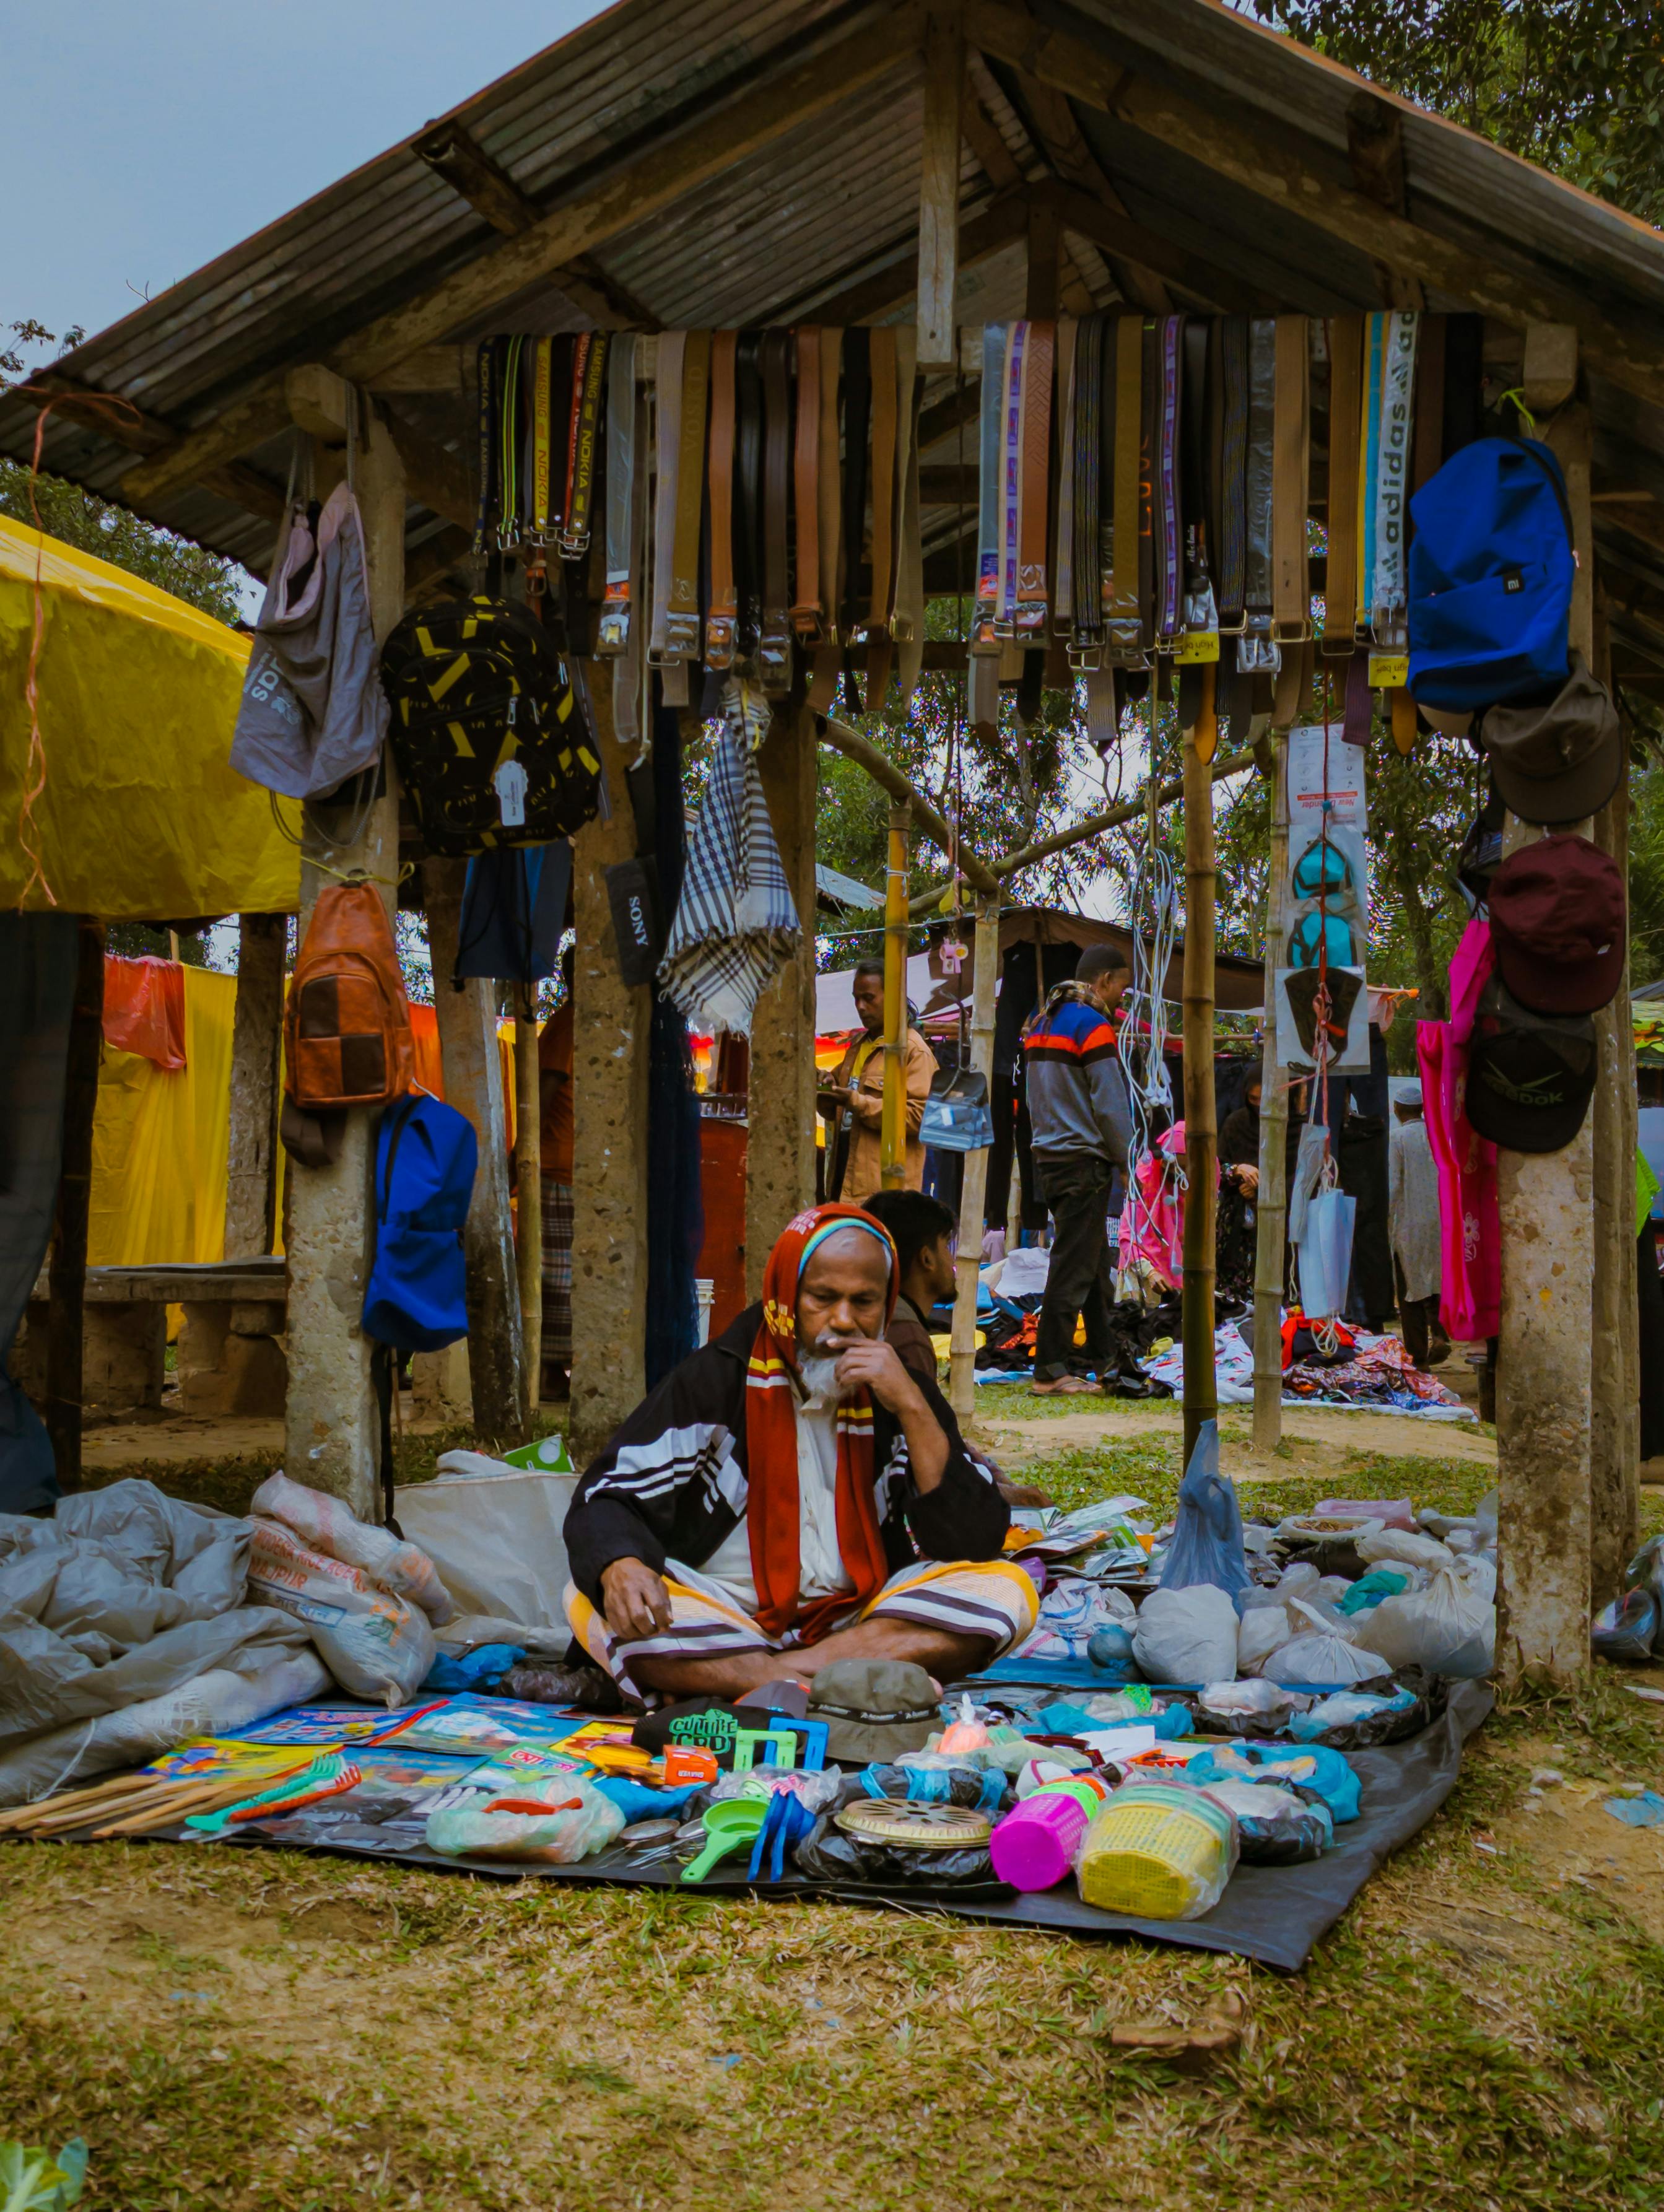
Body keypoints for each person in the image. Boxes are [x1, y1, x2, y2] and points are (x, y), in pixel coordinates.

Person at [561, 1203, 1039, 1702]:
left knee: (1007, 1590)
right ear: (784, 1295)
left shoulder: (900, 1390)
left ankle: (778, 1678)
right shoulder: (717, 1380)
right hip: (726, 1612)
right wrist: (621, 1566)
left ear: (887, 1303)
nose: (843, 1320)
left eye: (865, 1302)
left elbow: (974, 1538)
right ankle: (842, 1684)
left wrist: (913, 1408)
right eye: (822, 1298)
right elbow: (606, 1498)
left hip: (858, 1619)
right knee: (588, 1599)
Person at [1021, 944, 1133, 1395]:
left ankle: (1106, 1358)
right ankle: (1049, 1368)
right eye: (1121, 987)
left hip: (1048, 1156)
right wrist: (1128, 1161)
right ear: (1104, 980)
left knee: (1088, 1260)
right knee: (1074, 1264)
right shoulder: (1094, 1025)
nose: (1122, 997)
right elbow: (1109, 1105)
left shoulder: (1041, 1022)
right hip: (1082, 1159)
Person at [817, 959, 937, 1203]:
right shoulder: (857, 1048)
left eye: (869, 998)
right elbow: (835, 1113)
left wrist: (857, 1103)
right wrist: (825, 1087)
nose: (860, 1007)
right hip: (844, 1188)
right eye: (856, 999)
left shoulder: (914, 1051)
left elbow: (920, 1118)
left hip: (885, 1197)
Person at [857, 1188, 957, 1390]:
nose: (951, 1260)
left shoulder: (882, 1315)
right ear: (927, 1258)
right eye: (946, 1246)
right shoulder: (907, 1339)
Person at [1388, 1083, 1449, 1369]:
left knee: (1410, 1289)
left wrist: (1384, 1223)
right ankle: (1440, 1334)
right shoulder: (1439, 1136)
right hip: (1441, 1221)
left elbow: (1392, 1186)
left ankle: (1418, 1357)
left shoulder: (1397, 1139)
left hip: (1409, 1224)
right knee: (1437, 1282)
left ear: (1397, 1109)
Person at [538, 949, 576, 1398]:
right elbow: (545, 1091)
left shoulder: (587, 1026)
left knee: (567, 1276)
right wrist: (520, 1152)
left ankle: (558, 1370)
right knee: (556, 1277)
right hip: (557, 1165)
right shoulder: (567, 1025)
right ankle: (550, 1372)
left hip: (574, 1166)